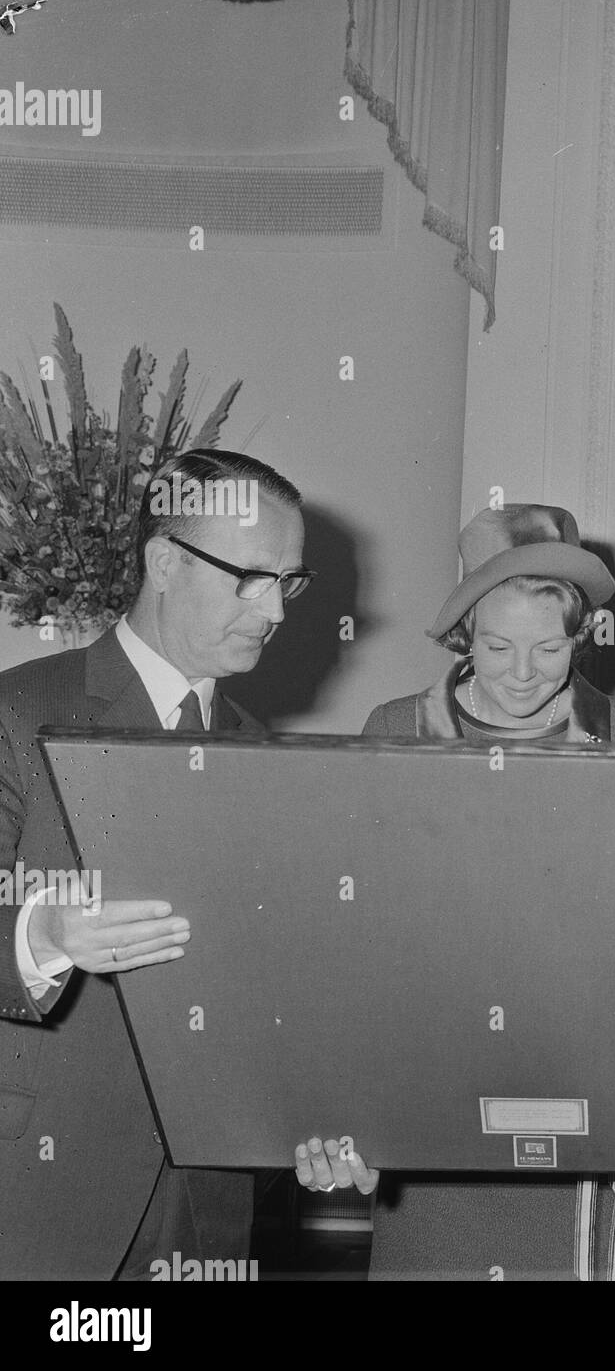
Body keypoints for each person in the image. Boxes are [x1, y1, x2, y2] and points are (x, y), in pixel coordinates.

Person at [297, 503, 615, 1280]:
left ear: (581, 639)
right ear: (464, 635)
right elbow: (354, 934)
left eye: (549, 647)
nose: (523, 672)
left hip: (585, 1088)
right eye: (498, 646)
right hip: (434, 1089)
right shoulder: (397, 727)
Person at [0, 448, 313, 1280]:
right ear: (165, 562)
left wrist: (319, 1117)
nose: (275, 608)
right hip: (37, 1185)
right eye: (251, 576)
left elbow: (276, 989)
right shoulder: (18, 709)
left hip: (207, 1203)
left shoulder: (264, 759)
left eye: (288, 580)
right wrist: (49, 933)